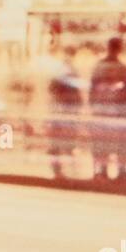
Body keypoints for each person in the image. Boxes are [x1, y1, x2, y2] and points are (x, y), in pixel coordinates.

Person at [88, 37, 126, 178]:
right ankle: (118, 170)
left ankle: (101, 169)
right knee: (116, 142)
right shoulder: (124, 68)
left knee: (101, 142)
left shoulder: (99, 67)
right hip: (115, 111)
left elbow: (92, 91)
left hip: (101, 111)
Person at [47, 49, 81, 179]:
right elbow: (77, 95)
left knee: (58, 143)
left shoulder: (60, 71)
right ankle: (65, 170)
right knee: (67, 143)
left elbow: (52, 90)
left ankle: (59, 170)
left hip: (59, 111)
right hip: (66, 112)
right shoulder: (70, 72)